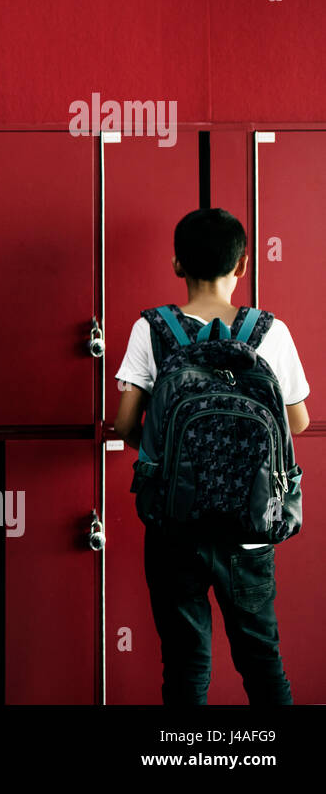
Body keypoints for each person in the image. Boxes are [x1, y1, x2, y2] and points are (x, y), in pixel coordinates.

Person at [112, 207, 310, 705]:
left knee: (185, 663)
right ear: (242, 265)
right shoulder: (270, 331)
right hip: (250, 526)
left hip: (175, 526)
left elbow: (123, 424)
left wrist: (170, 450)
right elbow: (298, 422)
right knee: (264, 661)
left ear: (177, 265)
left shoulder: (152, 330)